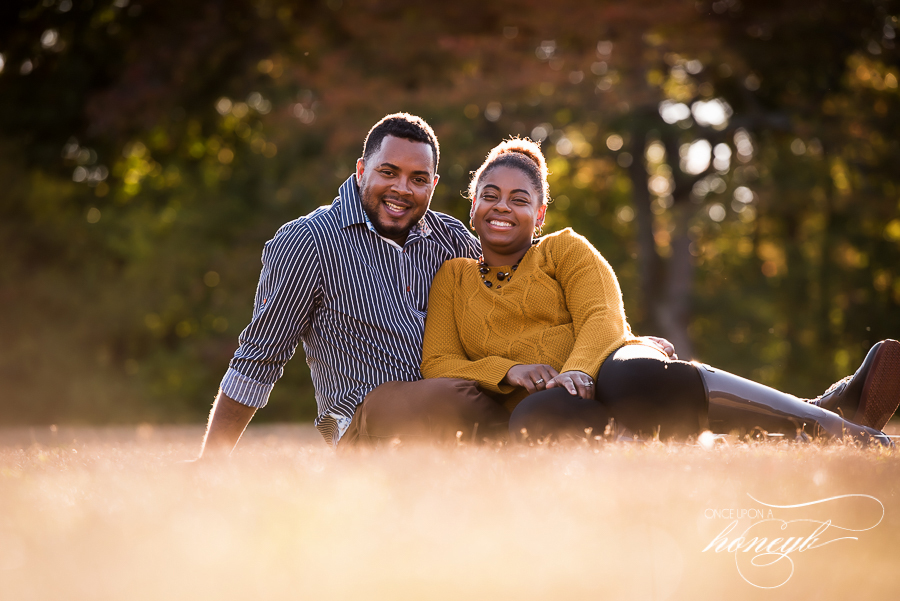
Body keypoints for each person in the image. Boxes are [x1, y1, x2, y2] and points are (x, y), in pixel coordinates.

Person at [421, 138, 900, 445]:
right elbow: (438, 363)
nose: (501, 207)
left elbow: (602, 319)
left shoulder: (565, 250)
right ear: (473, 202)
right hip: (550, 401)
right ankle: (818, 413)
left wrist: (577, 373)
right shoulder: (453, 277)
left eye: (519, 199)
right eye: (490, 195)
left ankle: (834, 428)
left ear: (540, 214)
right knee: (537, 417)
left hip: (610, 366)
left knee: (632, 377)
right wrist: (511, 371)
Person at [197, 113, 511, 457]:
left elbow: (509, 307)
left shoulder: (450, 239)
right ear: (362, 171)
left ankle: (540, 437)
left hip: (452, 408)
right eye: (388, 172)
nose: (402, 189)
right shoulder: (310, 241)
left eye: (417, 179)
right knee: (453, 396)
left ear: (432, 185)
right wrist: (212, 459)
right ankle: (519, 442)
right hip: (362, 422)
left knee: (532, 396)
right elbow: (261, 355)